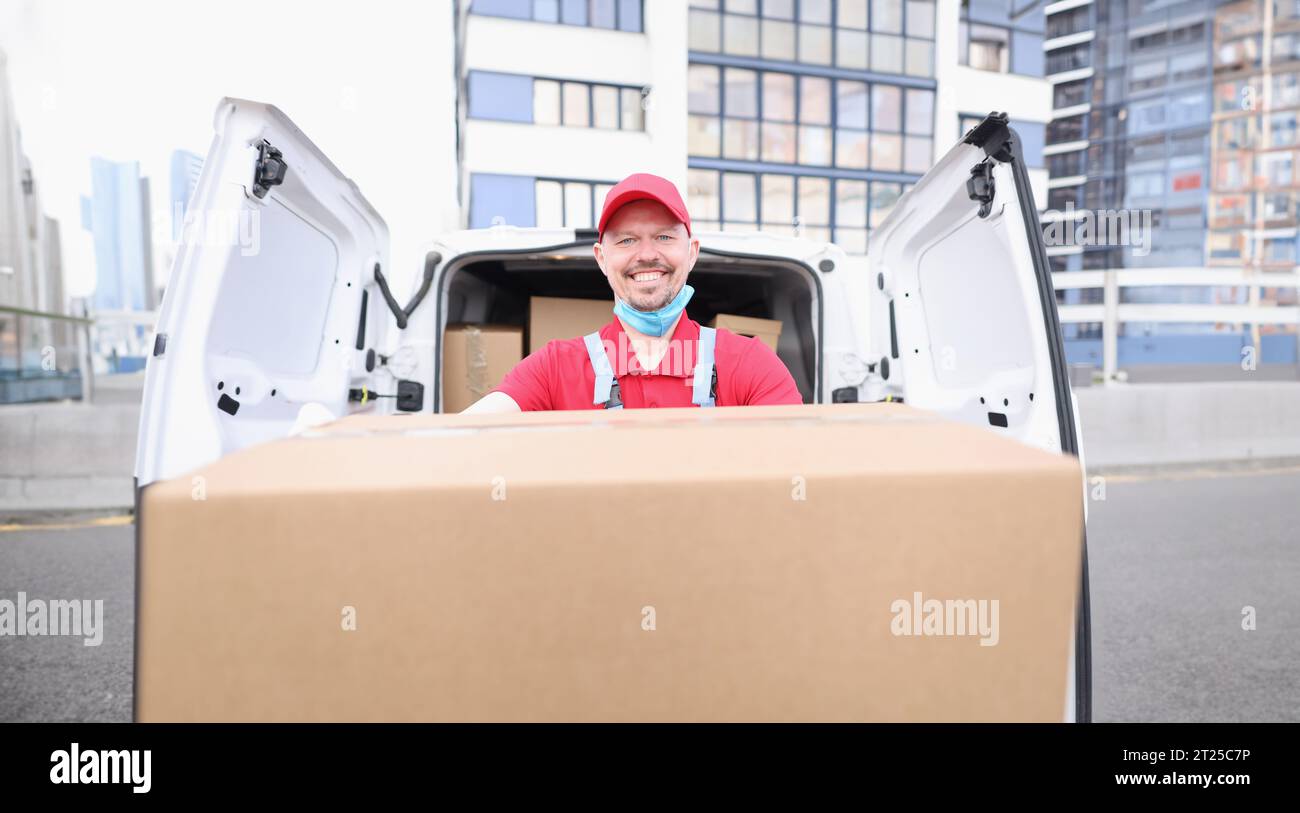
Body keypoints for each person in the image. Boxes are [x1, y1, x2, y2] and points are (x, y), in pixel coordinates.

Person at [463, 173, 802, 412]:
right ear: (601, 258)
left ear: (692, 252)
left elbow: (798, 464)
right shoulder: (553, 368)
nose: (647, 254)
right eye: (627, 240)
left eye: (664, 237)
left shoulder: (749, 364)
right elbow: (466, 437)